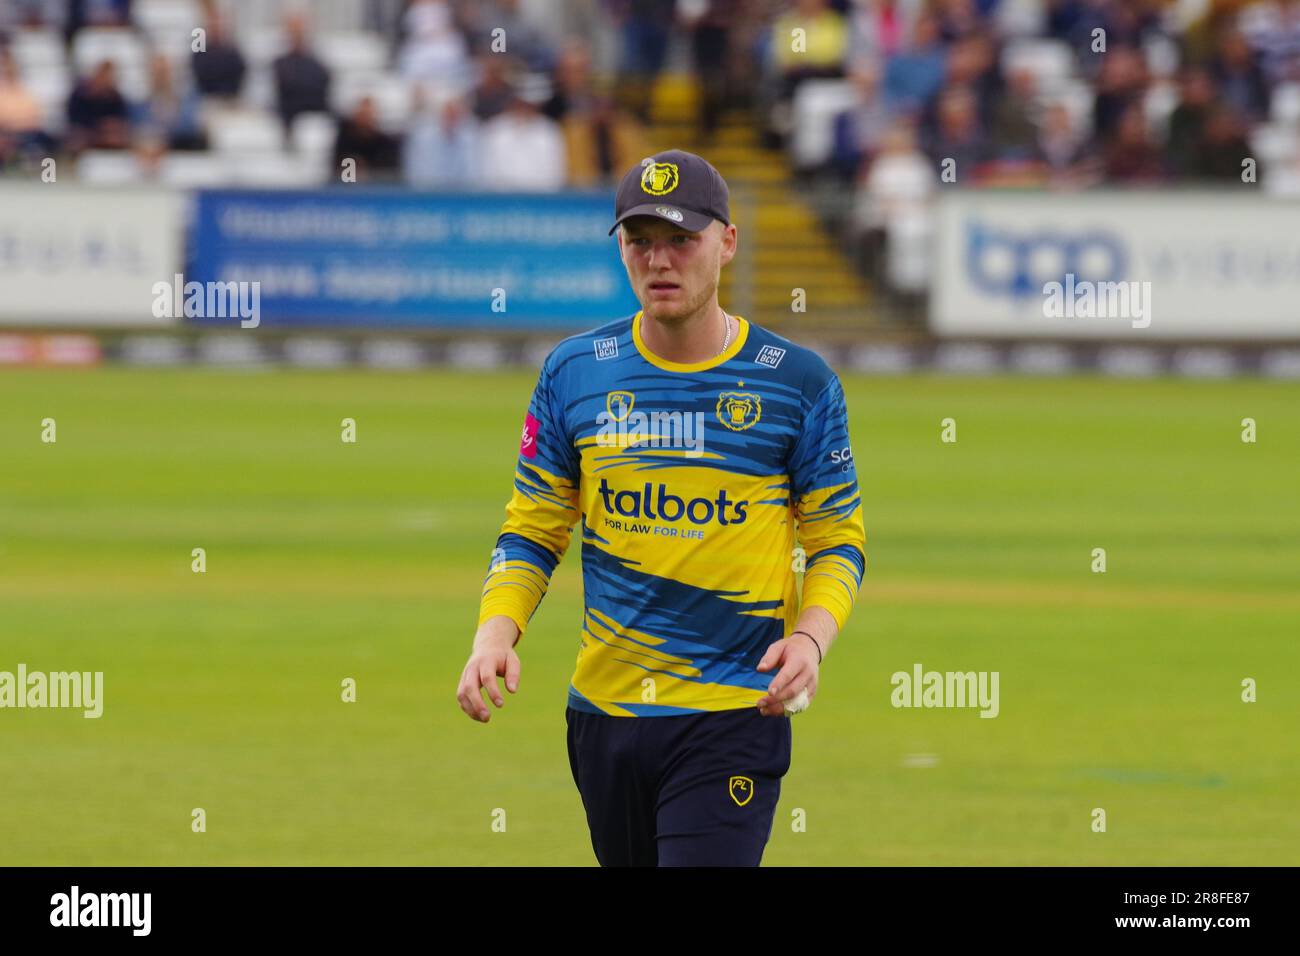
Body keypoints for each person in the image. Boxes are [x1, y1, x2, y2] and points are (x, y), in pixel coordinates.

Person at [457, 149, 867, 866]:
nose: (660, 260)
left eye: (682, 239)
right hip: (603, 717)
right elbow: (533, 528)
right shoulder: (573, 371)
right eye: (640, 241)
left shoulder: (797, 382)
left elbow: (838, 539)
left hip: (732, 712)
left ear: (727, 242)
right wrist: (495, 635)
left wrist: (810, 639)